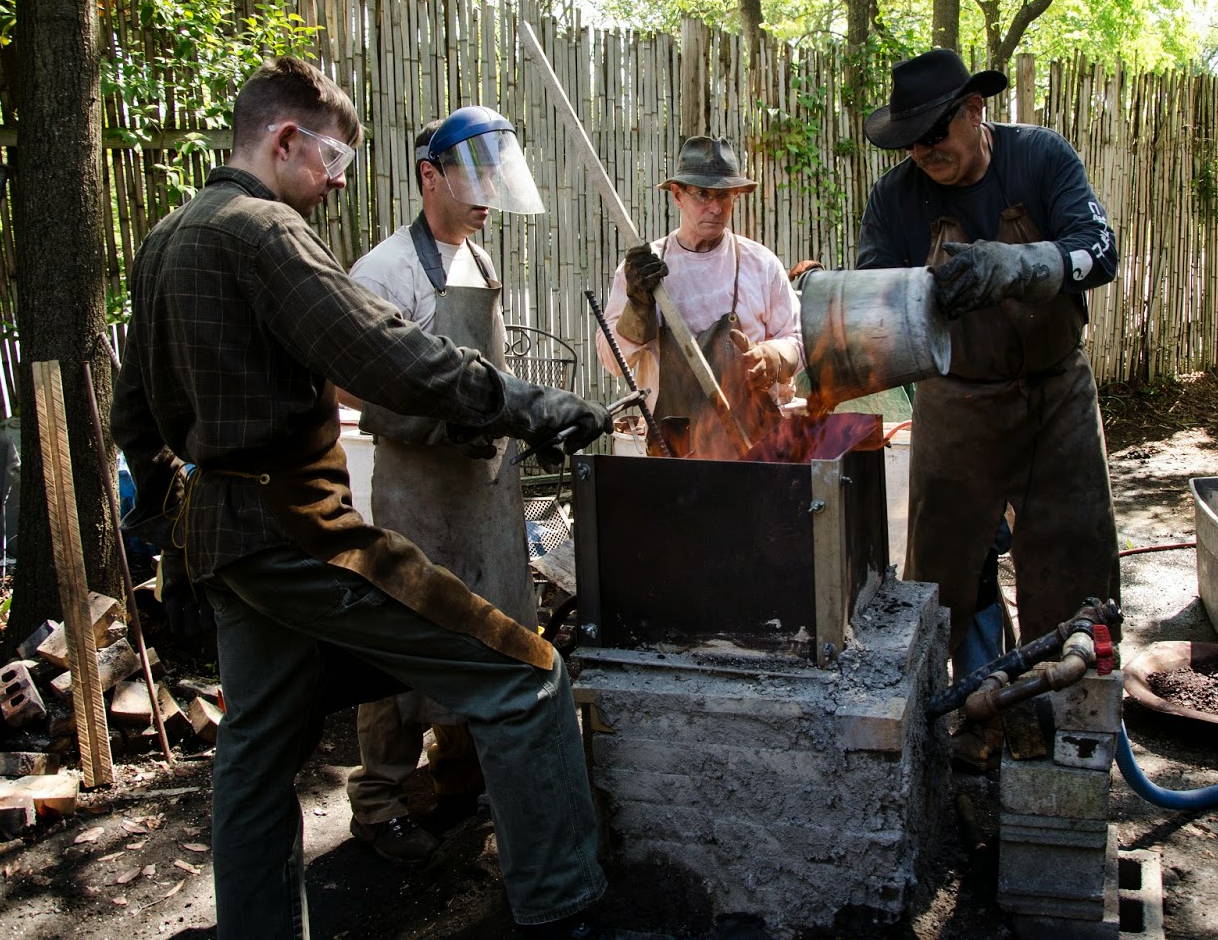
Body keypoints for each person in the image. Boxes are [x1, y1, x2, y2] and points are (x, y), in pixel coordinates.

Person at [112, 56, 618, 940]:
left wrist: (172, 539)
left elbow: (133, 418)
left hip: (228, 546)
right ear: (284, 140)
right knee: (526, 674)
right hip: (298, 532)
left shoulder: (164, 240)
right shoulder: (264, 233)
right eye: (335, 160)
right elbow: (387, 355)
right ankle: (567, 911)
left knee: (257, 754)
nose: (340, 182)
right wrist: (529, 405)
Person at [856, 48, 1121, 677]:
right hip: (955, 401)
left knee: (1074, 559)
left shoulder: (1041, 157)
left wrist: (1021, 265)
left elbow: (1101, 251)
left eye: (934, 135)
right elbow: (874, 295)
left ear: (975, 110)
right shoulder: (895, 197)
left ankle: (1069, 700)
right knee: (943, 569)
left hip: (1056, 397)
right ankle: (968, 699)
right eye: (911, 142)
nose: (922, 152)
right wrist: (914, 296)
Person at [338, 108, 541, 862]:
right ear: (430, 176)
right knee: (403, 644)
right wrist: (435, 424)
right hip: (418, 496)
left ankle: (458, 775)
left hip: (480, 493)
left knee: (478, 631)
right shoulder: (384, 271)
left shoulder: (478, 261)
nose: (488, 196)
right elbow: (347, 380)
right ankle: (379, 800)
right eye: (473, 178)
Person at [596, 136, 802, 459]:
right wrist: (637, 306)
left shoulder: (761, 266)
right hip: (674, 455)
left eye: (724, 196)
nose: (716, 208)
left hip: (754, 451)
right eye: (703, 195)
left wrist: (773, 356)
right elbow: (612, 362)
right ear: (677, 195)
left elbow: (798, 340)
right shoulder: (644, 271)